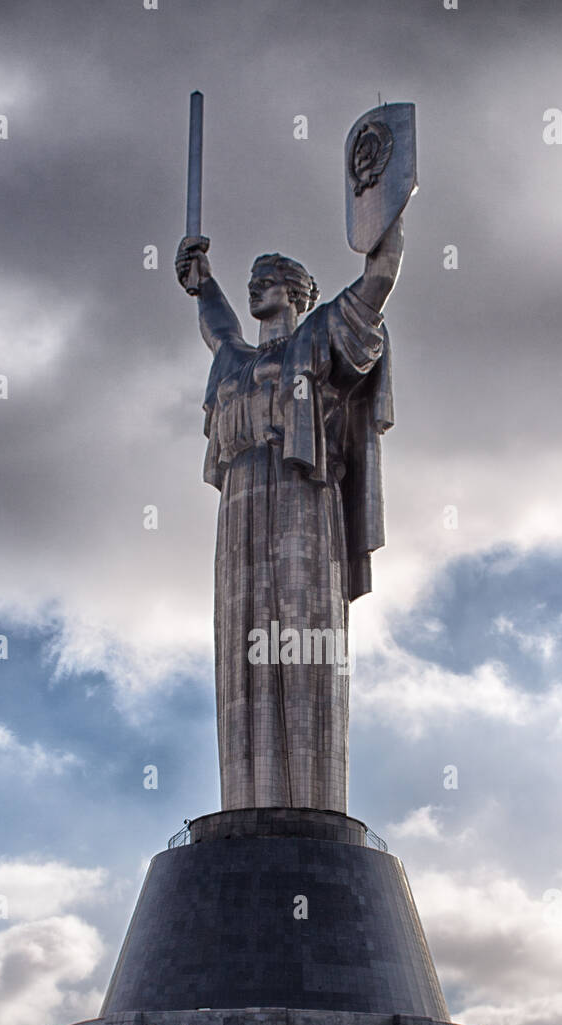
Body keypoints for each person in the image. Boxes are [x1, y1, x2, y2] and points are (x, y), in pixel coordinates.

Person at [175, 220, 404, 812]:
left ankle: (311, 806)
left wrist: (386, 210)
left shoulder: (322, 337)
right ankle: (249, 804)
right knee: (242, 647)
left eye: (268, 279)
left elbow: (378, 281)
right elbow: (217, 325)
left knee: (302, 639)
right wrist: (203, 282)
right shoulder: (234, 362)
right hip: (240, 510)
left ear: (297, 292)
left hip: (303, 495)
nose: (256, 287)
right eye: (252, 281)